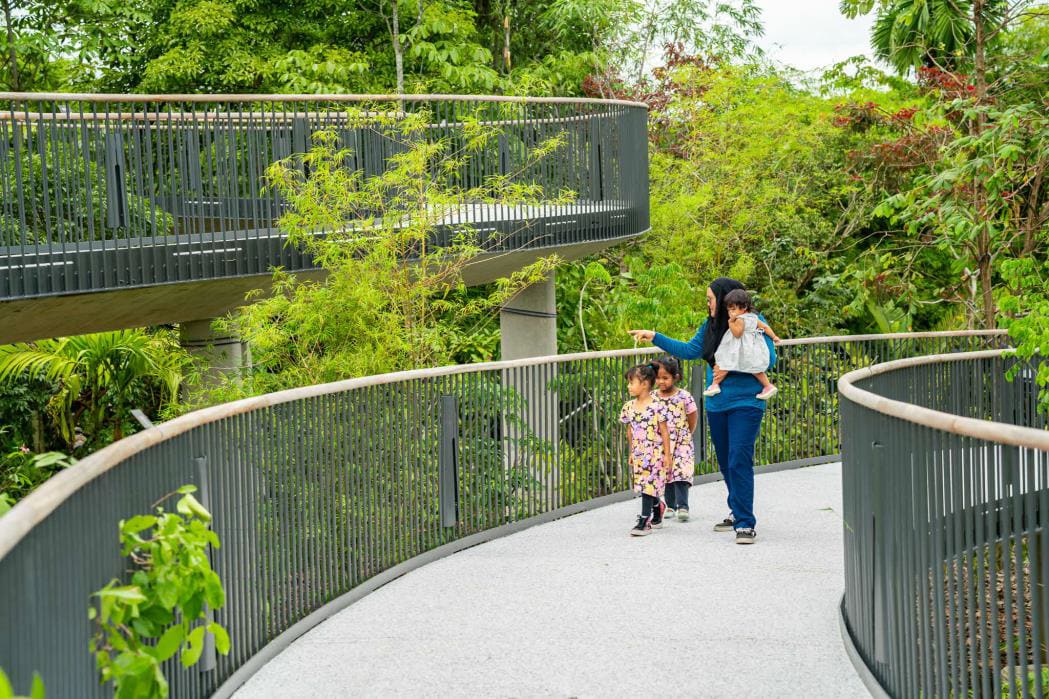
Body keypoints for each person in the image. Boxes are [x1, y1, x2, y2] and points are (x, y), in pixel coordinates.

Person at [628, 277, 776, 545]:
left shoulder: (750, 319)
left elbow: (769, 358)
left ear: (723, 299)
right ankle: (736, 509)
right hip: (717, 403)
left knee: (738, 459)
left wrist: (733, 365)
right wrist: (654, 336)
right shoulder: (710, 327)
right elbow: (689, 350)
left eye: (710, 299)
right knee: (725, 461)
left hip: (747, 401)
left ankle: (745, 523)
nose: (708, 304)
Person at [619, 363, 672, 537]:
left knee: (648, 484)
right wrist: (631, 452)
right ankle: (658, 507)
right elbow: (629, 431)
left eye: (631, 382)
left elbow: (664, 431)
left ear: (645, 384)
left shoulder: (657, 405)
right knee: (644, 485)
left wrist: (667, 455)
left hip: (655, 452)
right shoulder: (628, 407)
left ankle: (644, 520)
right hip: (639, 452)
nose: (628, 386)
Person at [704, 288, 781, 400]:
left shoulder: (740, 319)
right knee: (755, 369)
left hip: (739, 349)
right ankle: (768, 386)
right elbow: (765, 327)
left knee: (725, 363)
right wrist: (774, 337)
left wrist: (730, 323)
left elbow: (737, 334)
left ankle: (715, 384)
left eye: (734, 309)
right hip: (751, 348)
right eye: (729, 310)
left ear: (744, 307)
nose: (731, 313)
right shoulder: (754, 317)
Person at [651, 355, 698, 522]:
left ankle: (683, 506)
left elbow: (692, 417)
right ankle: (670, 505)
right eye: (657, 378)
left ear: (675, 377)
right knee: (667, 472)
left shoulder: (684, 396)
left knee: (682, 472)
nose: (661, 381)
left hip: (681, 440)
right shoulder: (653, 397)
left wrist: (687, 433)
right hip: (661, 442)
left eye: (665, 378)